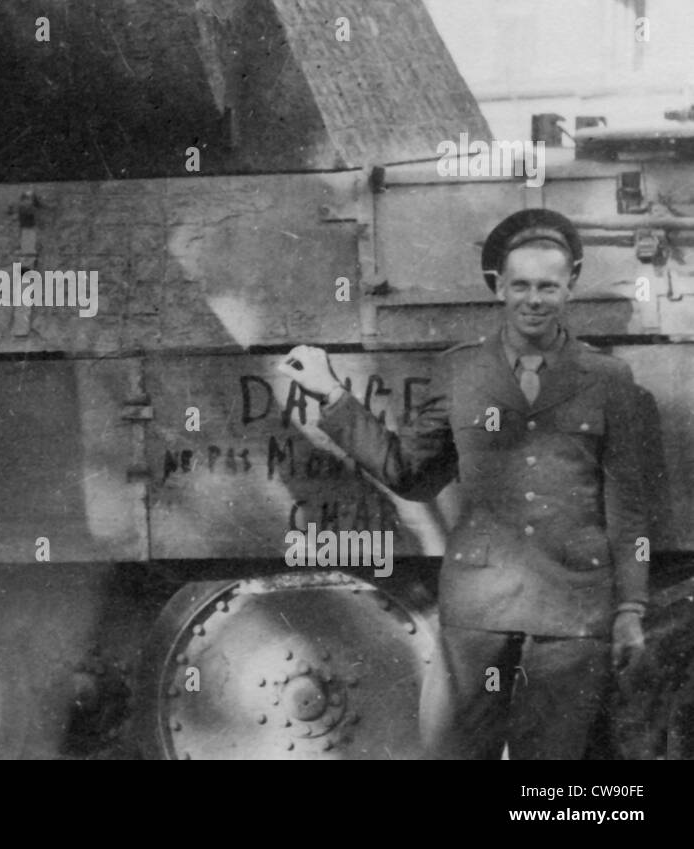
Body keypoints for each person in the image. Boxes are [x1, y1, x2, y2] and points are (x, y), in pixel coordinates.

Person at [278, 208, 658, 759]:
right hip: (479, 606)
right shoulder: (462, 372)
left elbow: (628, 509)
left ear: (570, 287)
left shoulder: (608, 380)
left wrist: (632, 610)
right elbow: (408, 473)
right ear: (498, 287)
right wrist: (332, 397)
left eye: (548, 286)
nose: (534, 299)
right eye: (521, 285)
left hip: (572, 612)